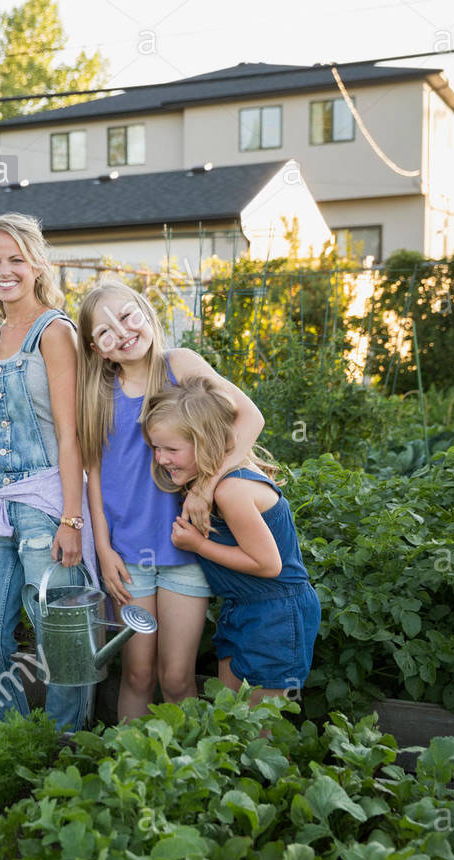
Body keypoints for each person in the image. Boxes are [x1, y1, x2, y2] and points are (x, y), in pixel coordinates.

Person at [76, 280, 265, 721]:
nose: (121, 332)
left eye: (126, 316)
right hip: (128, 556)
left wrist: (204, 487)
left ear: (145, 310)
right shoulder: (98, 394)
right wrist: (103, 552)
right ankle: (130, 778)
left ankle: (191, 774)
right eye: (105, 332)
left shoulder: (179, 365)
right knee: (137, 675)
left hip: (186, 550)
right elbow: (95, 477)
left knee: (177, 677)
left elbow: (250, 417)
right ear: (97, 348)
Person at [0, 212, 97, 726]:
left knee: (62, 639)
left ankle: (64, 745)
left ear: (36, 265)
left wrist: (72, 519)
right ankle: (14, 742)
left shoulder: (55, 332)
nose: (3, 271)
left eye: (15, 260)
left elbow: (71, 435)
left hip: (46, 506)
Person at [143, 377, 320, 704]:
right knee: (229, 716)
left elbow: (268, 564)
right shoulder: (215, 484)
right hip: (242, 607)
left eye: (171, 449)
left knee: (259, 727)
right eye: (156, 447)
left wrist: (198, 546)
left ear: (206, 443)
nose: (160, 458)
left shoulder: (231, 490)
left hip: (275, 613)